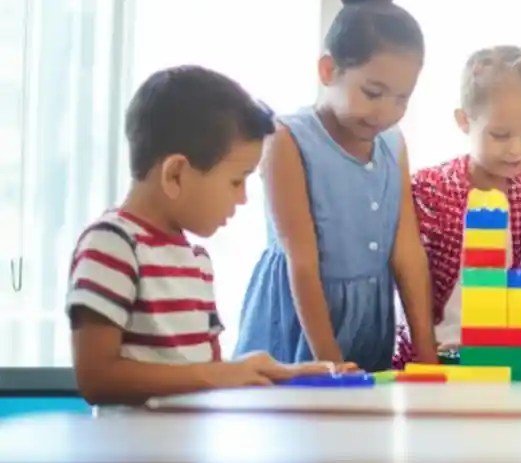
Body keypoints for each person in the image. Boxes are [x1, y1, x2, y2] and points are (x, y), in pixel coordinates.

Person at [67, 66, 335, 404]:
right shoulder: (113, 244)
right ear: (176, 173)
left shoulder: (197, 262)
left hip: (188, 452)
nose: (242, 198)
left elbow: (204, 376)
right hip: (134, 455)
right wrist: (218, 374)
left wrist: (271, 374)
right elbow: (97, 379)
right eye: (237, 180)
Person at [236, 0, 437, 372]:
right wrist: (329, 363)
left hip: (368, 324)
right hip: (301, 324)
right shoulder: (287, 140)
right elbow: (303, 262)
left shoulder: (393, 144)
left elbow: (407, 254)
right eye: (373, 93)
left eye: (402, 98)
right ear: (328, 70)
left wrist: (426, 354)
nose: (386, 111)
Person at [393, 46, 521, 366]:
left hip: (505, 351)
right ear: (464, 121)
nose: (516, 150)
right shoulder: (429, 189)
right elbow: (409, 279)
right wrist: (425, 354)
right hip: (435, 349)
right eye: (500, 135)